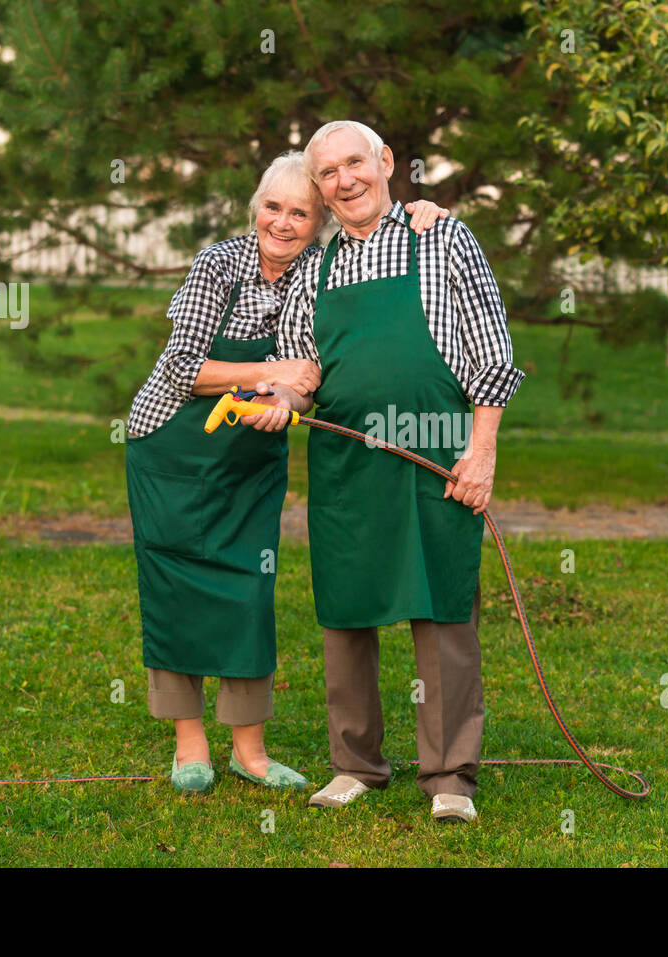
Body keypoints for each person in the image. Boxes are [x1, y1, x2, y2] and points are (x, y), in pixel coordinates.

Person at [125, 149, 449, 795]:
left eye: (300, 212)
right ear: (255, 209)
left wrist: (425, 209)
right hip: (173, 446)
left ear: (319, 220)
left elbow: (310, 362)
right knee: (177, 586)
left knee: (249, 590)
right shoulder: (219, 263)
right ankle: (190, 743)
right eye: (272, 207)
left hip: (251, 458)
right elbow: (182, 368)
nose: (283, 222)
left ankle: (250, 749)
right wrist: (266, 372)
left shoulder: (319, 272)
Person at [243, 121, 524, 823]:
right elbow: (302, 370)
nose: (345, 180)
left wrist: (481, 451)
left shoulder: (443, 238)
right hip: (346, 463)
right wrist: (280, 400)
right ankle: (356, 763)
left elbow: (492, 352)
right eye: (328, 172)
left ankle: (450, 773)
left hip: (435, 453)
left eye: (354, 163)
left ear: (386, 162)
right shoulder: (317, 265)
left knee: (444, 609)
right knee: (346, 610)